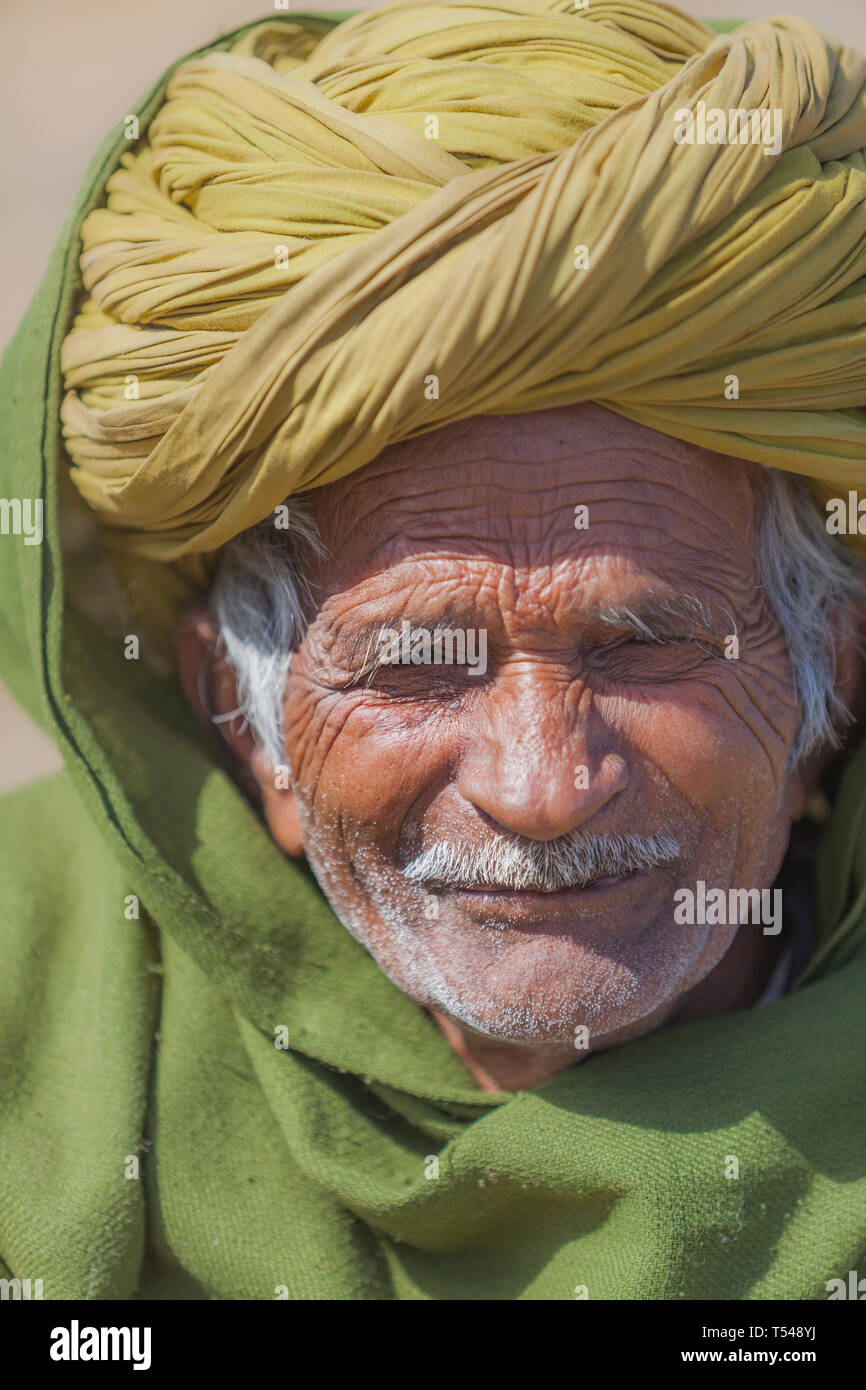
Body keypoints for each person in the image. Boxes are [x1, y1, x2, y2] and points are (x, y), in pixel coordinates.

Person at [1, 0, 866, 1301]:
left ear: (828, 685)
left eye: (638, 649)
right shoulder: (35, 981)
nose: (537, 787)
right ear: (248, 730)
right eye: (413, 667)